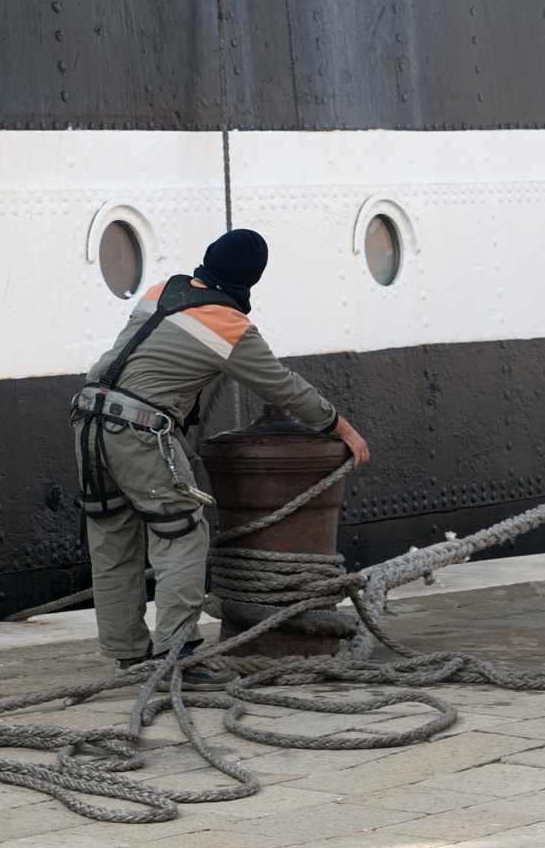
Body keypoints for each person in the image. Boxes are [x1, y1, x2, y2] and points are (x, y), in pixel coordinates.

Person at [71, 228, 370, 679]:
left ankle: (129, 654)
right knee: (181, 534)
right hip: (137, 429)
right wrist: (344, 430)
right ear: (252, 278)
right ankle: (176, 657)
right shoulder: (229, 325)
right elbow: (283, 386)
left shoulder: (162, 290)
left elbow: (152, 360)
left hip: (87, 418)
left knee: (112, 539)